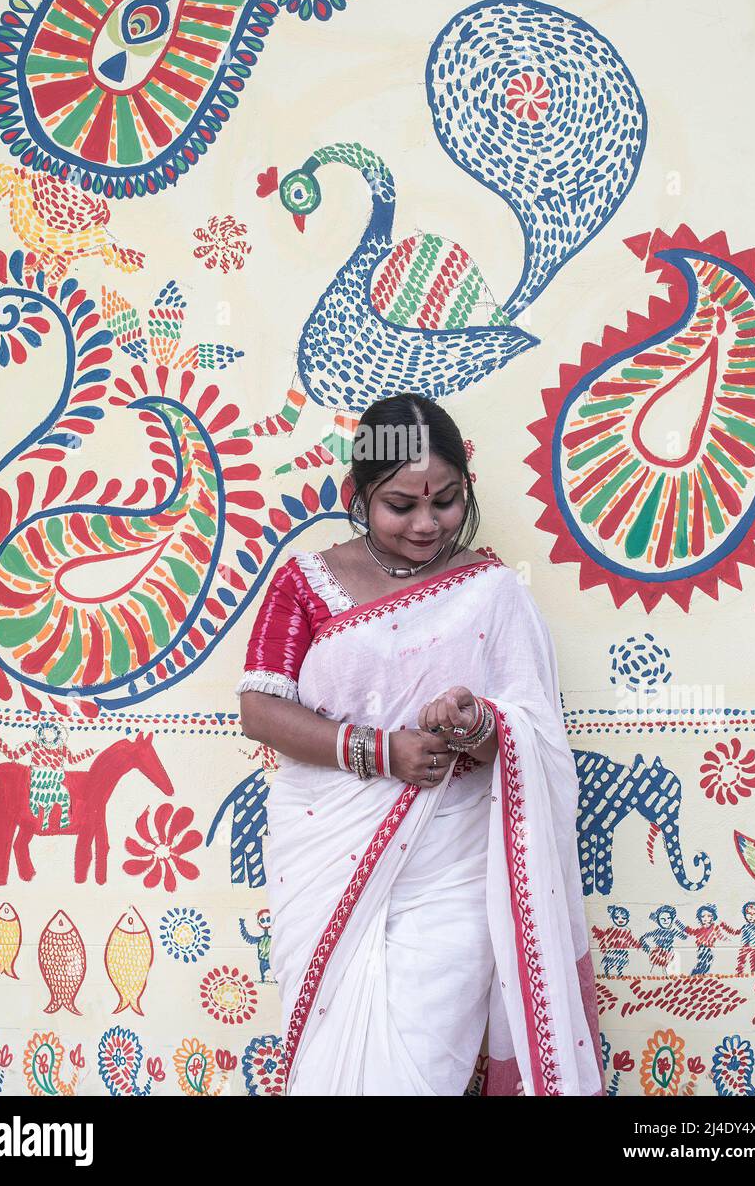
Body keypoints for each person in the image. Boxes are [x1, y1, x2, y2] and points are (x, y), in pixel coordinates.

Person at [237, 393, 605, 1096]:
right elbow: (259, 709)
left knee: (418, 1067)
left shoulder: (492, 592)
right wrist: (381, 752)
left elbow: (534, 730)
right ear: (359, 496)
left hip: (452, 871)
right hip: (325, 860)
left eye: (445, 502)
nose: (427, 524)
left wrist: (475, 722)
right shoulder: (305, 585)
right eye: (400, 505)